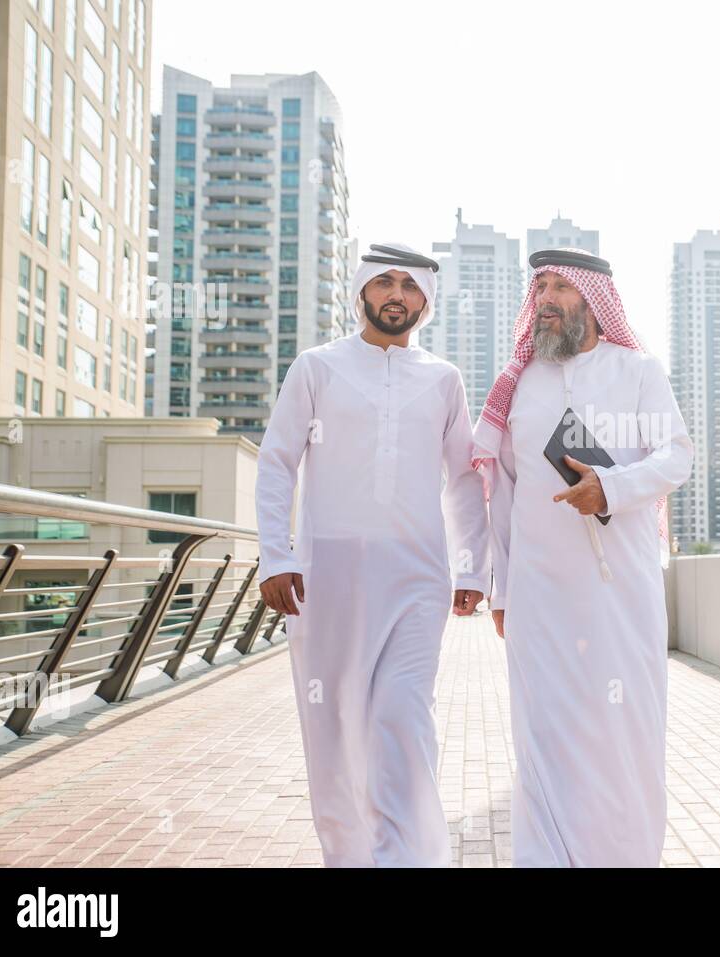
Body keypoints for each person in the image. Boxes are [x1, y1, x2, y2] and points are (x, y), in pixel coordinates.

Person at [255, 242, 490, 867]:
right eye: (384, 283)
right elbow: (278, 462)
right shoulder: (317, 367)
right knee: (332, 730)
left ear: (426, 301)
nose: (396, 295)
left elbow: (464, 479)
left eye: (410, 286)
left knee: (404, 719)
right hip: (326, 576)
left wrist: (471, 565)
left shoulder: (443, 380)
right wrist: (276, 557)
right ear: (361, 292)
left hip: (418, 577)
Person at [473, 248, 694, 866]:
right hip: (539, 595)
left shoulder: (637, 371)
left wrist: (611, 487)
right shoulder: (518, 384)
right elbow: (504, 496)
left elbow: (677, 457)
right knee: (542, 741)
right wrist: (504, 590)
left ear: (593, 299)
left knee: (623, 738)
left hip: (619, 591)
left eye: (559, 286)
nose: (544, 297)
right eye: (538, 285)